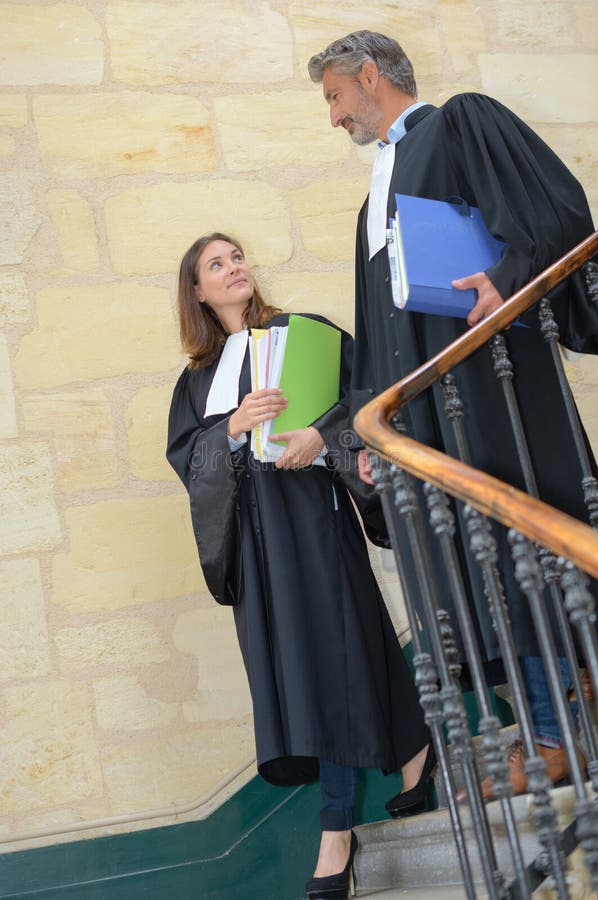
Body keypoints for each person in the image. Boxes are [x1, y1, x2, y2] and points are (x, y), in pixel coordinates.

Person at [308, 31, 598, 800]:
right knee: (471, 574)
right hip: (425, 419)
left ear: (369, 77)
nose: (333, 116)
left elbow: (557, 214)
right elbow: (377, 331)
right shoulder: (371, 198)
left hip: (493, 396)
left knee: (522, 551)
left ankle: (557, 728)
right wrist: (367, 429)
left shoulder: (461, 121)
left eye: (335, 96)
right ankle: (550, 717)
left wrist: (505, 279)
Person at [166, 232, 433, 900]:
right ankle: (415, 751)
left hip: (312, 516)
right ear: (196, 291)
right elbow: (187, 459)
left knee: (330, 658)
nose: (234, 269)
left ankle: (335, 831)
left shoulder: (302, 332)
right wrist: (228, 429)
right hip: (253, 542)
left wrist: (321, 434)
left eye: (237, 258)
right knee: (326, 655)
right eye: (216, 265)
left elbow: (363, 395)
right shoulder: (195, 380)